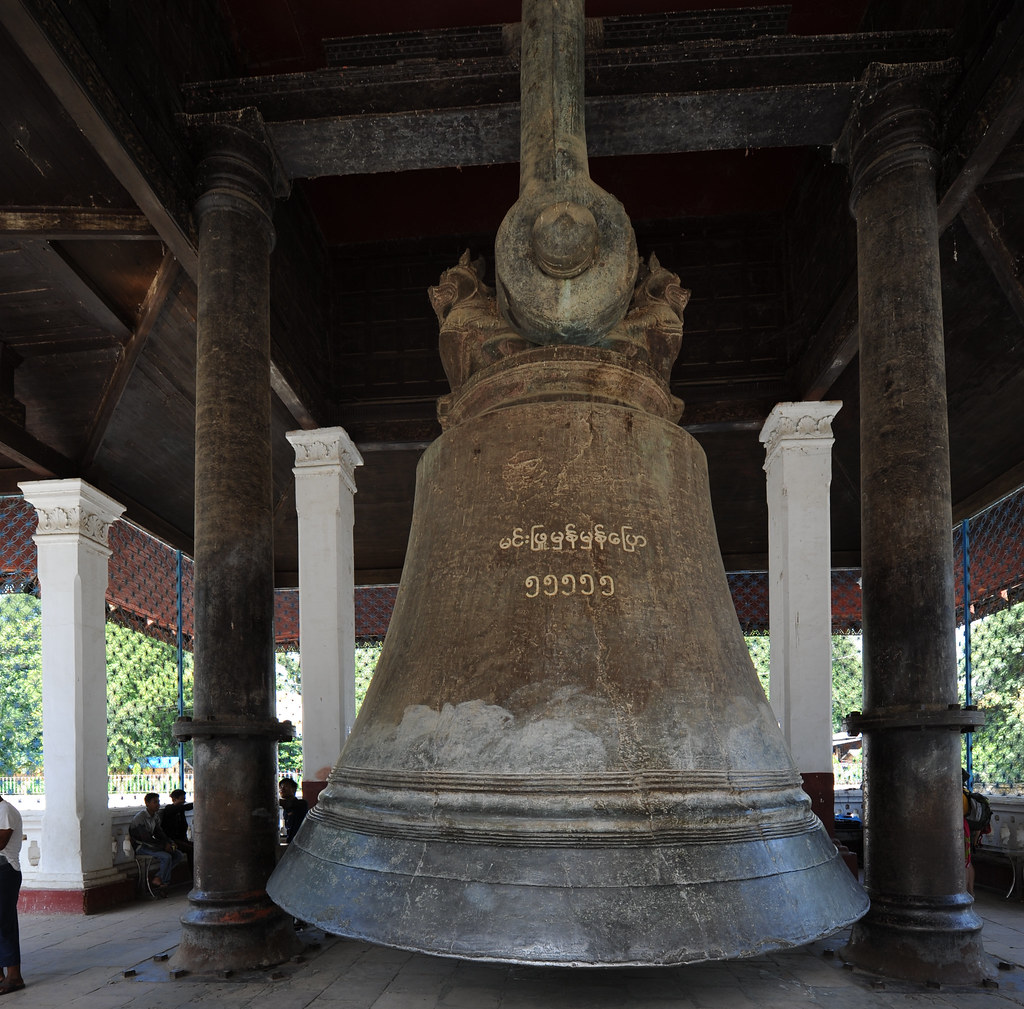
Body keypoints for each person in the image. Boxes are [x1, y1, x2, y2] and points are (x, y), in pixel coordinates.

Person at [130, 792, 186, 894]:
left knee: (178, 855)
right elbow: (145, 838)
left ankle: (158, 876)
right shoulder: (140, 817)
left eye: (158, 802)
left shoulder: (155, 816)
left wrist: (169, 842)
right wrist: (164, 846)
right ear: (147, 803)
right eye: (155, 802)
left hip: (151, 845)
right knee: (166, 857)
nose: (158, 804)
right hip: (141, 846)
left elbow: (159, 833)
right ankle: (164, 883)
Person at [0, 793, 25, 995]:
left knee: (4, 922)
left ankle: (14, 976)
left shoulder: (5, 811)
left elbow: (0, 843)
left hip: (6, 872)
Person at [159, 789, 194, 865]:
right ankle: (193, 873)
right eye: (181, 799)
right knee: (191, 849)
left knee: (197, 847)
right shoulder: (169, 809)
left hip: (181, 839)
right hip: (172, 841)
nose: (183, 801)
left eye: (184, 799)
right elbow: (185, 807)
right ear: (174, 799)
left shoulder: (180, 811)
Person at [279, 778, 308, 844]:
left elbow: (286, 803)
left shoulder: (302, 804)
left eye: (285, 786)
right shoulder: (286, 809)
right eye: (280, 787)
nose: (282, 789)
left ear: (294, 789)